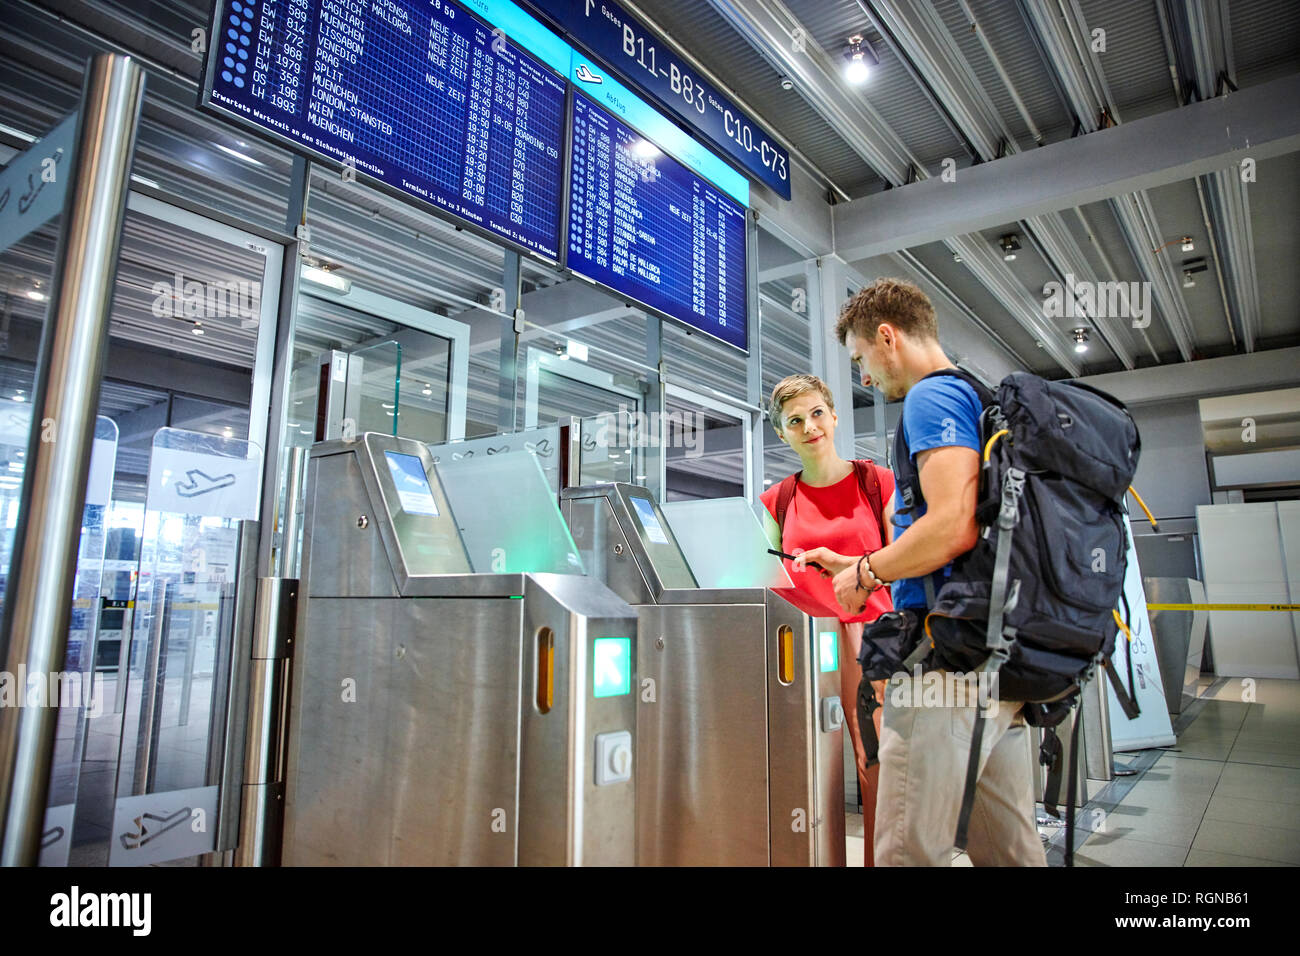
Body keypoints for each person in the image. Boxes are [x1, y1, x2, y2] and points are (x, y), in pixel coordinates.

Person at [799, 278, 1046, 867]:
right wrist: (881, 567)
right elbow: (963, 534)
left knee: (908, 851)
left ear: (888, 338)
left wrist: (863, 570)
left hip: (947, 668)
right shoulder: (979, 396)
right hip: (998, 663)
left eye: (861, 358)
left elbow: (952, 526)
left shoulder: (930, 398)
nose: (864, 376)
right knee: (1009, 849)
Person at [758, 374, 894, 866]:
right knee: (802, 760)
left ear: (834, 415)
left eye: (817, 413)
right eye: (795, 421)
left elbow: (900, 558)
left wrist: (857, 573)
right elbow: (765, 573)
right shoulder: (777, 499)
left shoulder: (875, 482)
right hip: (800, 641)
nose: (809, 426)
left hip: (869, 636)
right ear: (782, 434)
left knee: (874, 759)